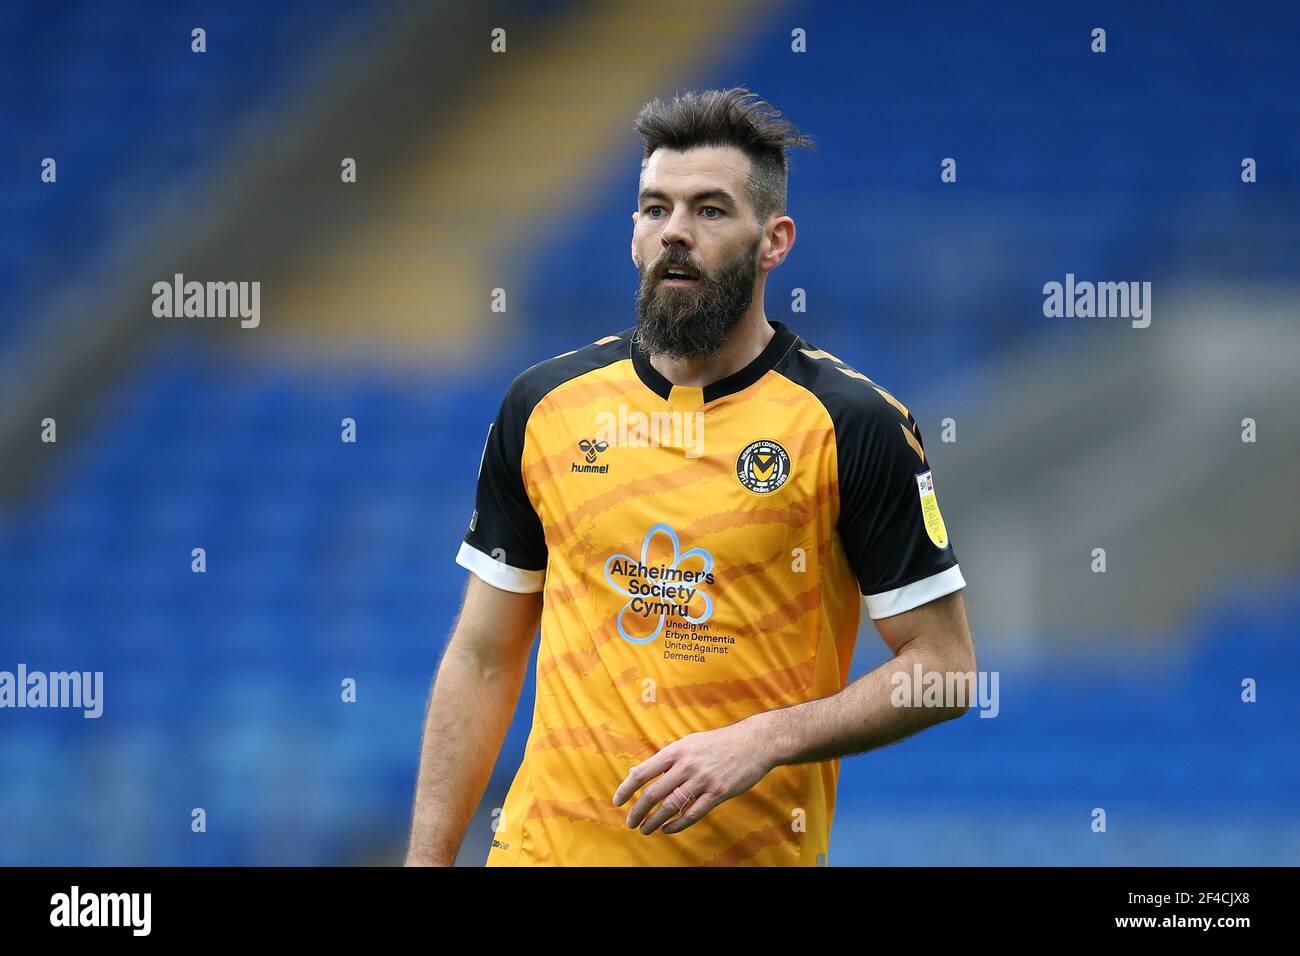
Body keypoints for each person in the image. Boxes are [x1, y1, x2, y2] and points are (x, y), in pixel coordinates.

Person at [406, 87, 976, 866]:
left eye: (709, 211)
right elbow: (482, 656)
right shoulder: (544, 406)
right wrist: (427, 859)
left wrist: (767, 739)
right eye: (654, 209)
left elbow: (944, 671)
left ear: (774, 241)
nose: (675, 232)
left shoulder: (851, 426)